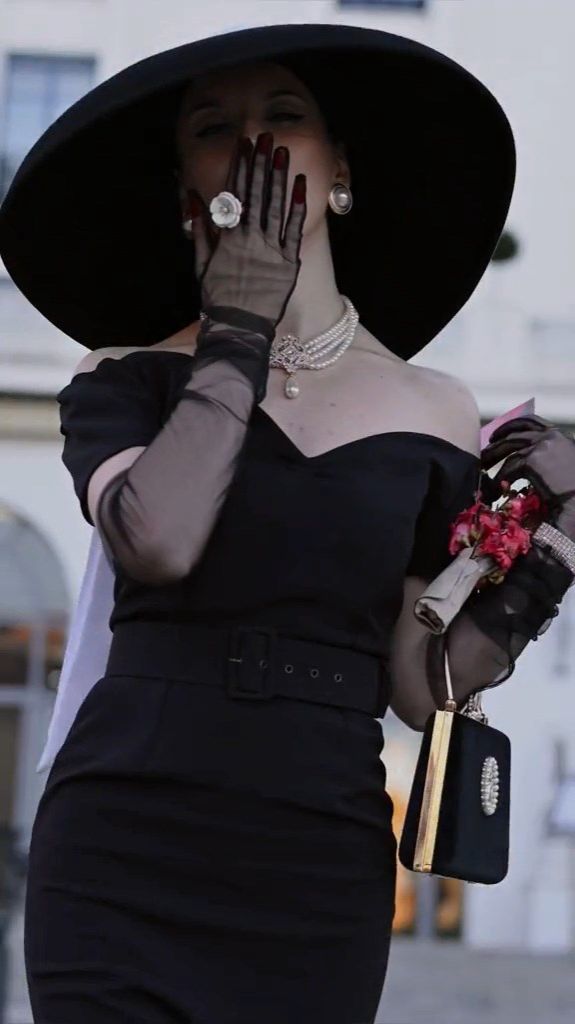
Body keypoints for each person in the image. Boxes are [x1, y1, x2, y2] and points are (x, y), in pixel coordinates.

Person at [1, 22, 574, 1024]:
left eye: (284, 115)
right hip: (125, 834)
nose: (253, 143)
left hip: (314, 850)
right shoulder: (123, 375)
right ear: (188, 190)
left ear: (339, 169)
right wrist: (237, 327)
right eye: (212, 127)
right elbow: (159, 540)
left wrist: (552, 544)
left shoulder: (435, 407)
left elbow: (419, 685)